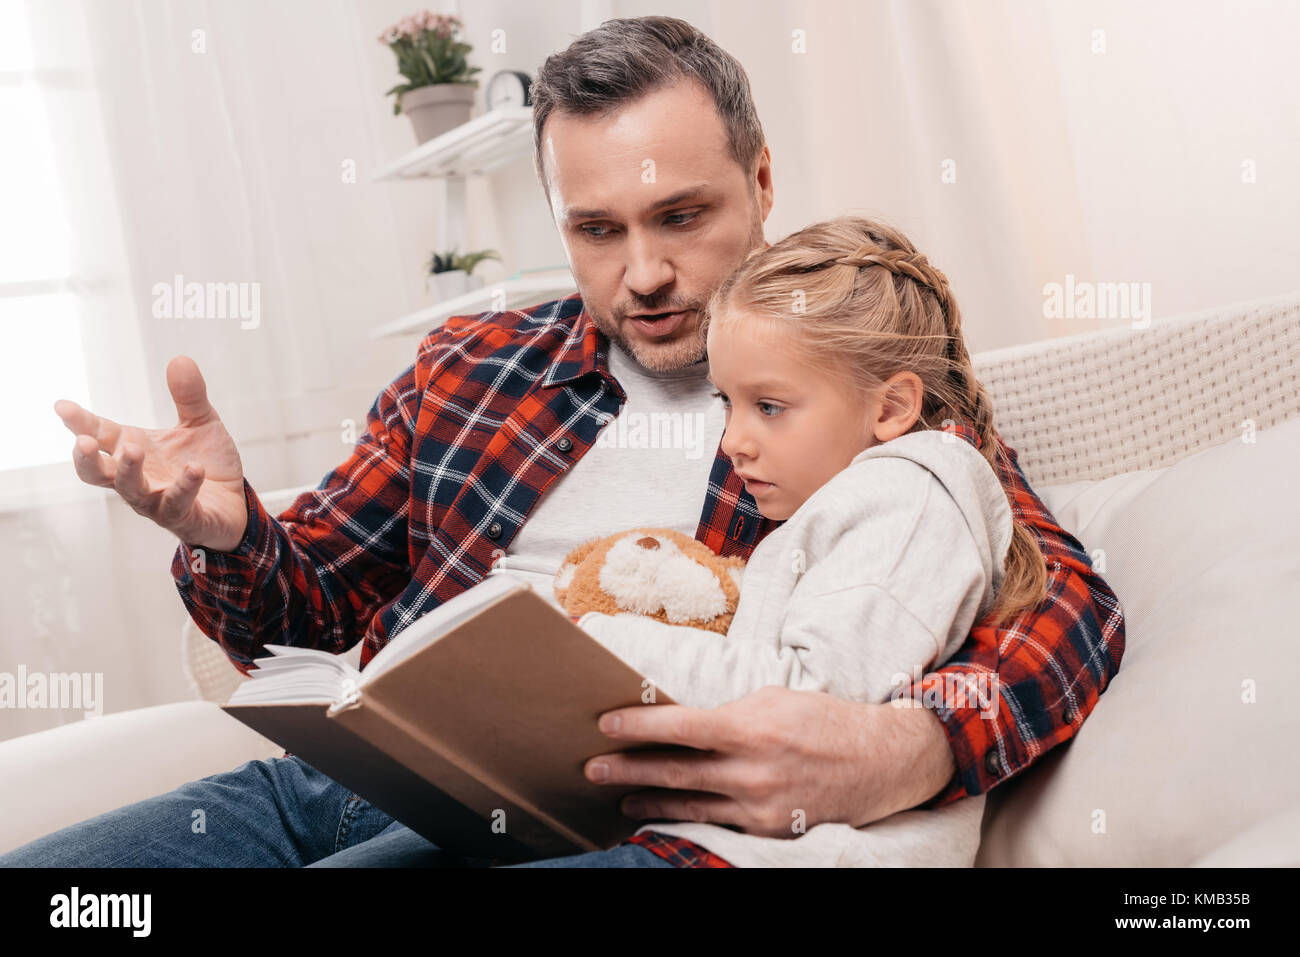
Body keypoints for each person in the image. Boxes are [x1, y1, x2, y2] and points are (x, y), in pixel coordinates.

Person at [0, 16, 1124, 868]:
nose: (642, 272)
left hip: (592, 818)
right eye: (597, 230)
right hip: (349, 786)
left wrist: (917, 745)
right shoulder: (469, 365)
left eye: (681, 216)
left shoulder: (847, 383)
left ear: (762, 180)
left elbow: (1070, 605)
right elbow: (303, 618)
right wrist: (232, 534)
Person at [569, 215, 1037, 866]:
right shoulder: (848, 501)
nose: (733, 440)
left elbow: (808, 703)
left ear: (890, 408)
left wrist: (593, 638)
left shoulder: (913, 501)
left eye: (769, 406)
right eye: (726, 402)